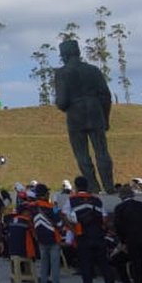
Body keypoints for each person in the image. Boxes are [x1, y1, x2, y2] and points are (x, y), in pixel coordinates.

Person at [55, 39, 115, 193]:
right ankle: (109, 186)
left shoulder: (62, 73)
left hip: (76, 115)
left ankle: (93, 187)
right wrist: (105, 118)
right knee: (102, 152)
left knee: (82, 155)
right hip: (96, 112)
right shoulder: (93, 70)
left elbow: (61, 102)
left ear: (64, 55)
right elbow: (106, 96)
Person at [71, 176, 116, 283]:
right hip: (98, 236)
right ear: (87, 186)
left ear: (76, 187)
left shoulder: (71, 200)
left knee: (86, 267)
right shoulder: (96, 200)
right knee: (104, 266)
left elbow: (70, 219)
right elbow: (105, 218)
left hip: (83, 237)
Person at [32, 183, 66, 283]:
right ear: (46, 194)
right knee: (55, 266)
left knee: (44, 265)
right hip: (54, 239)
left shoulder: (32, 206)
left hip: (41, 239)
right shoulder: (52, 207)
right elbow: (60, 224)